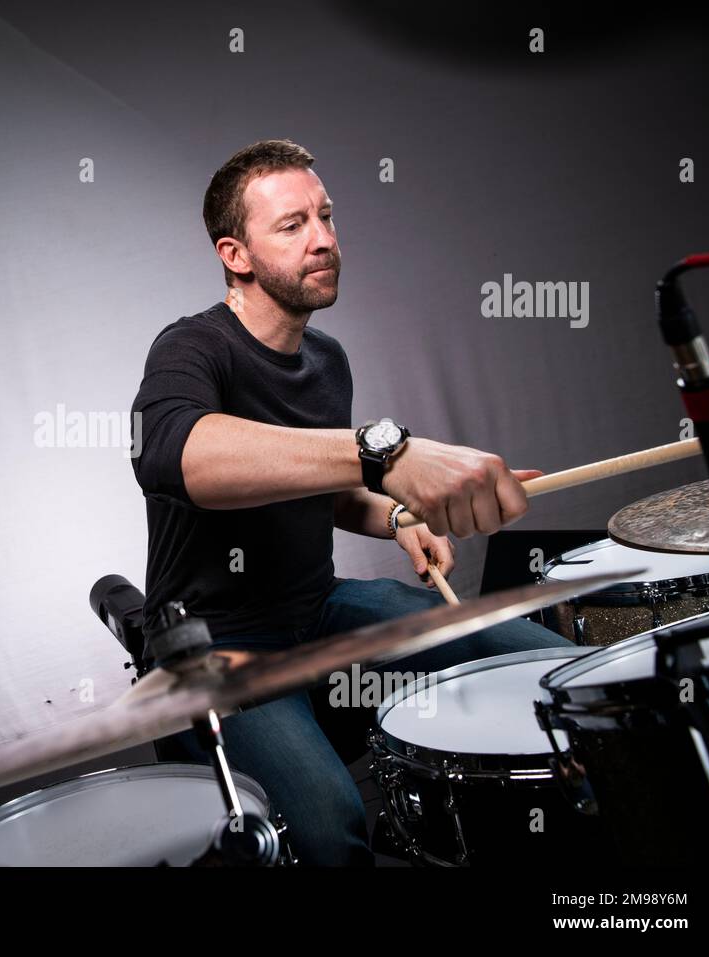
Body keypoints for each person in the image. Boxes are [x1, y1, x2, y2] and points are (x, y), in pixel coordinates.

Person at [128, 138, 570, 865]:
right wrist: (382, 453)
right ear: (235, 254)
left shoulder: (326, 358)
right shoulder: (192, 348)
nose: (325, 239)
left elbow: (324, 490)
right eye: (293, 225)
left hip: (321, 610)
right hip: (219, 649)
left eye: (326, 217)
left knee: (542, 666)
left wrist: (399, 512)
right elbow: (174, 454)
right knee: (332, 832)